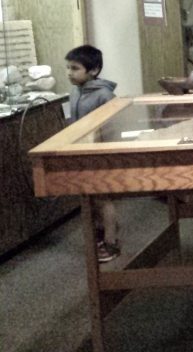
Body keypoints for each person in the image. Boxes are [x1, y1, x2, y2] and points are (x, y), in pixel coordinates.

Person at [65, 45, 120, 263]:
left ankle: (111, 242)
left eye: (75, 68)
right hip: (82, 153)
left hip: (100, 155)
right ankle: (103, 232)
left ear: (94, 70)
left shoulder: (104, 95)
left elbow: (112, 129)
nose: (70, 73)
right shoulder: (75, 92)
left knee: (104, 199)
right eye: (68, 68)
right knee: (92, 199)